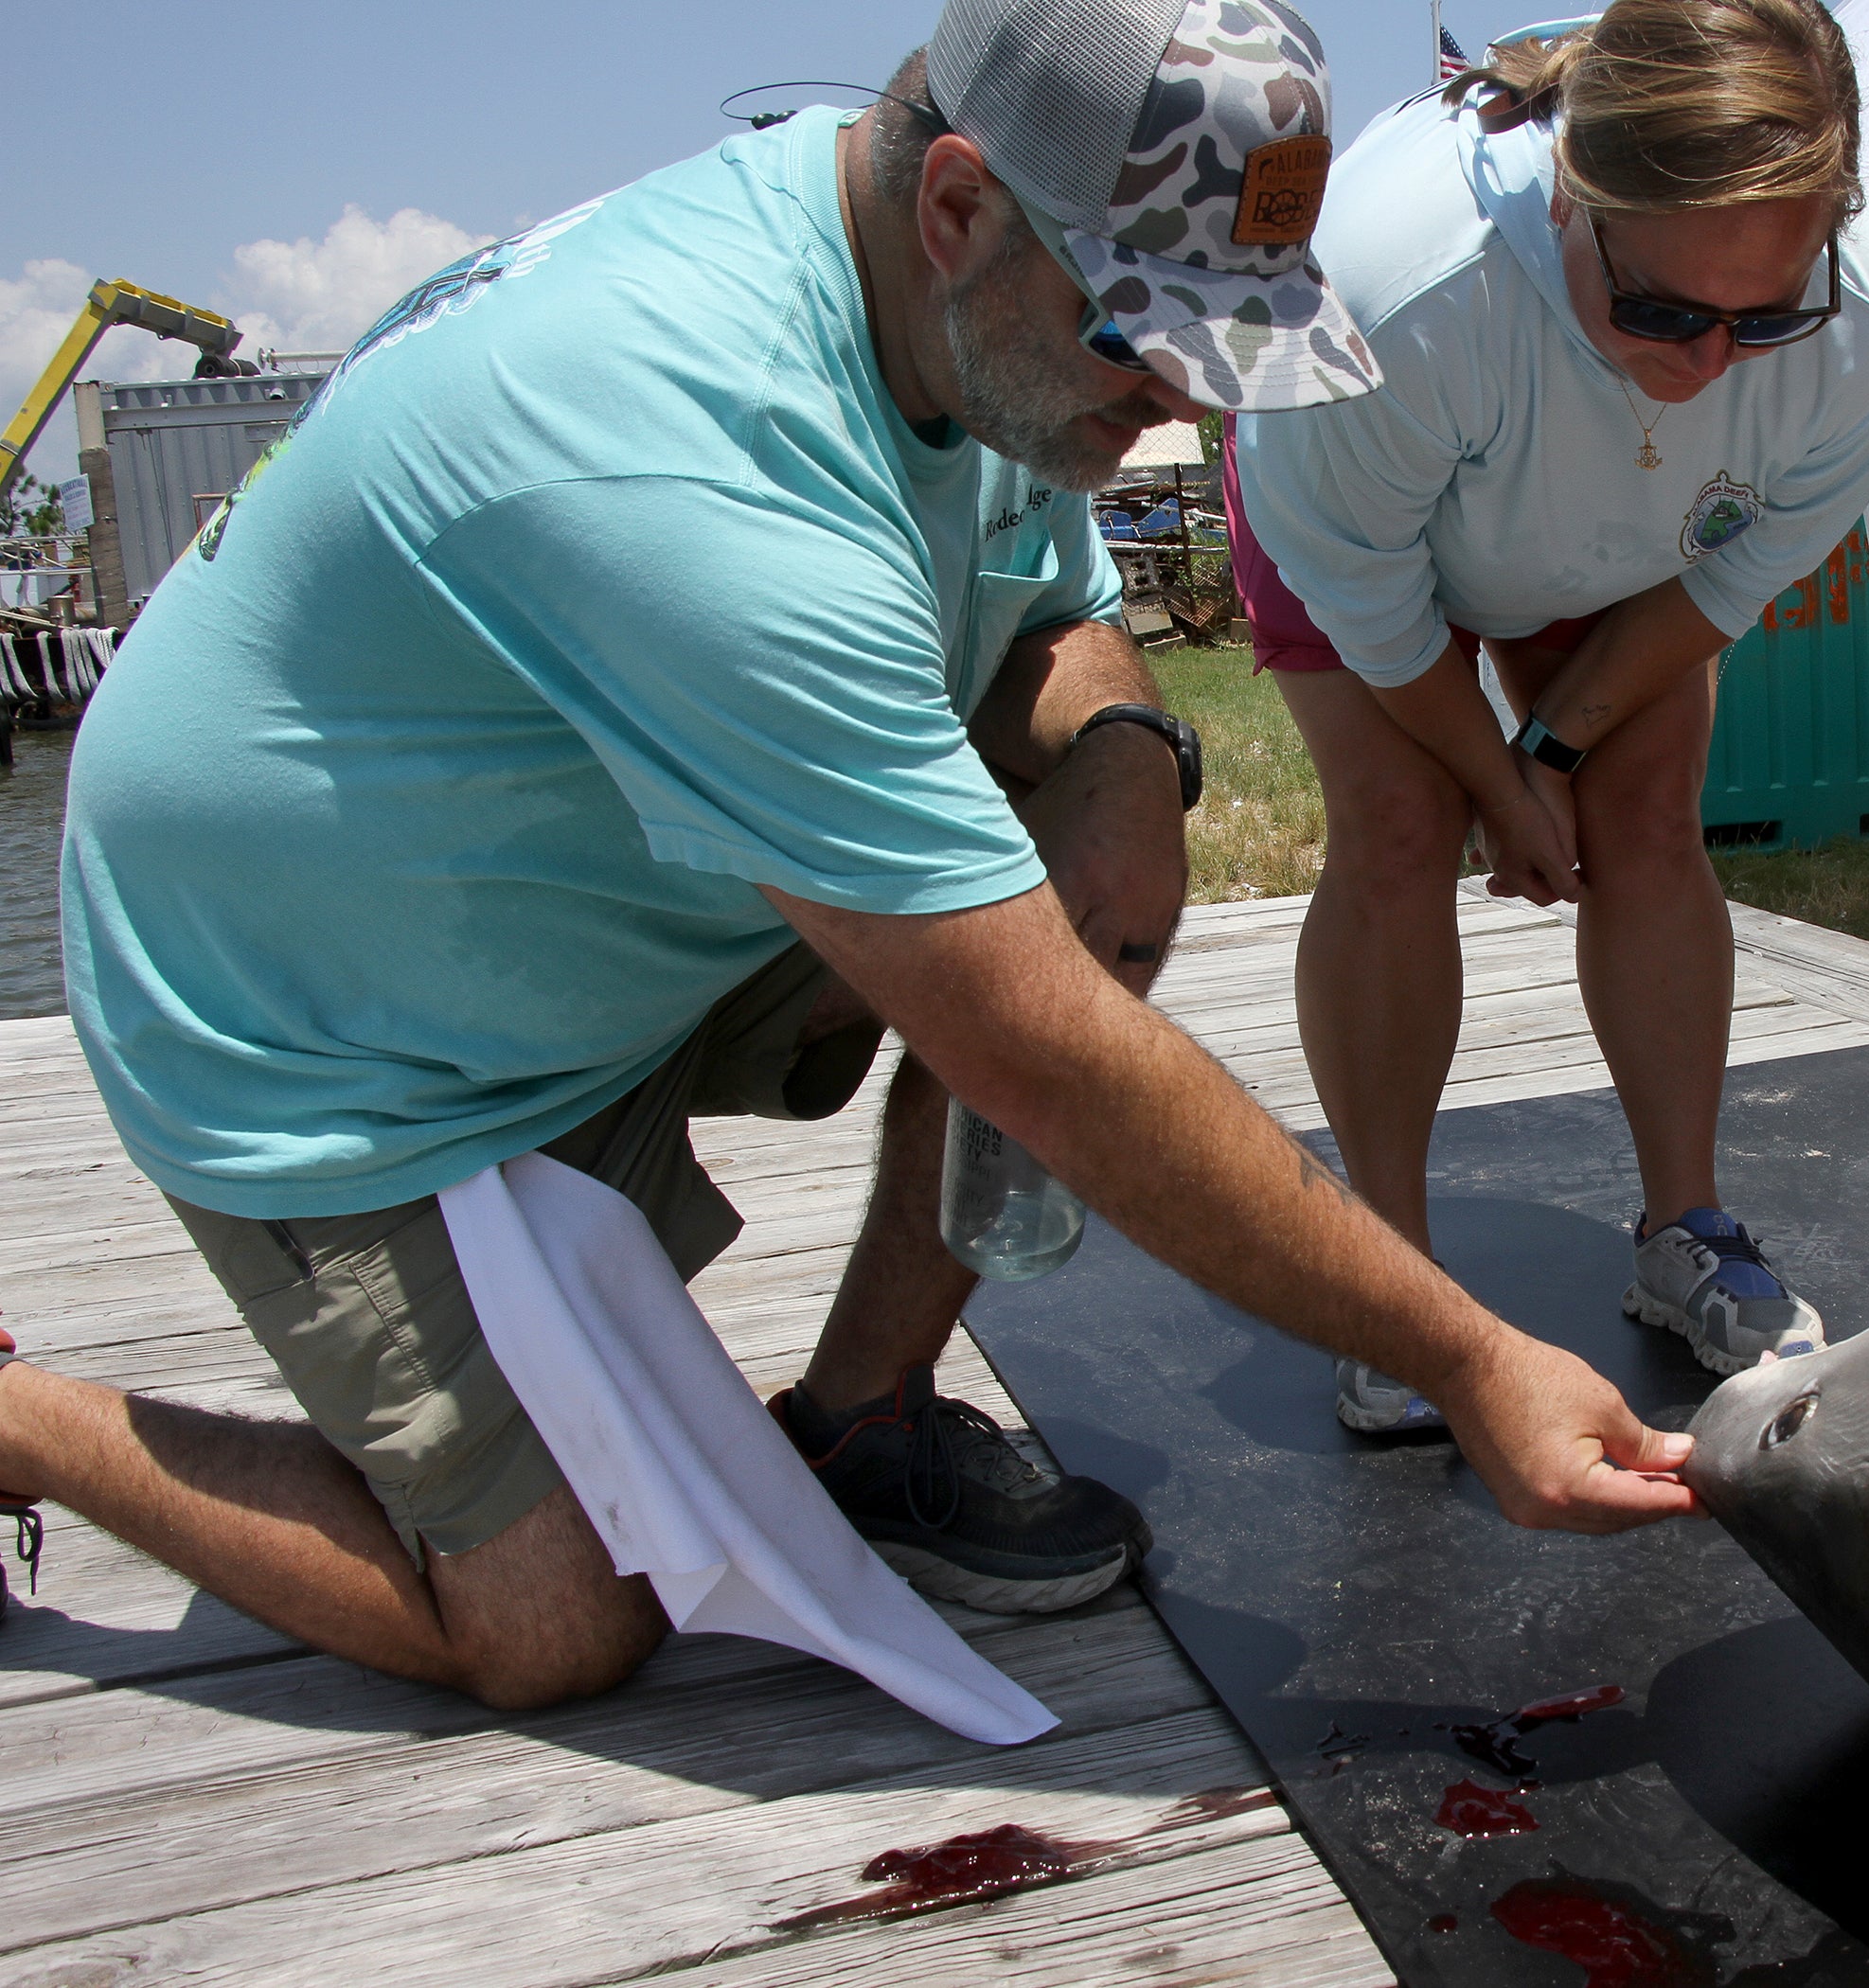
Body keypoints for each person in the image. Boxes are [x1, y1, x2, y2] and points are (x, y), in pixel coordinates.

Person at [0, 0, 1699, 1710]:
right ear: (958, 205)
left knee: (1096, 859)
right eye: (1139, 335)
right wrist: (1466, 1356)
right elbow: (1043, 1058)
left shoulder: (953, 315)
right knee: (557, 1628)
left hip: (560, 881)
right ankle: (22, 1423)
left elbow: (1057, 605)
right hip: (317, 1017)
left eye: (1224, 333)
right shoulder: (696, 449)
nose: (1184, 391)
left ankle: (860, 1422)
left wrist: (1121, 747)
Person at [1228, 0, 1869, 1430]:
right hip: (1372, 528)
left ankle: (1687, 1231)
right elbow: (1373, 612)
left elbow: (1734, 574)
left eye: (1764, 317)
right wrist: (1492, 782)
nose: (1704, 366)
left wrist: (1550, 754)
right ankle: (1391, 1277)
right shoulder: (1390, 293)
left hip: (1626, 535)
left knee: (1647, 817)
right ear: (1569, 198)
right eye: (1660, 311)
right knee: (1399, 829)